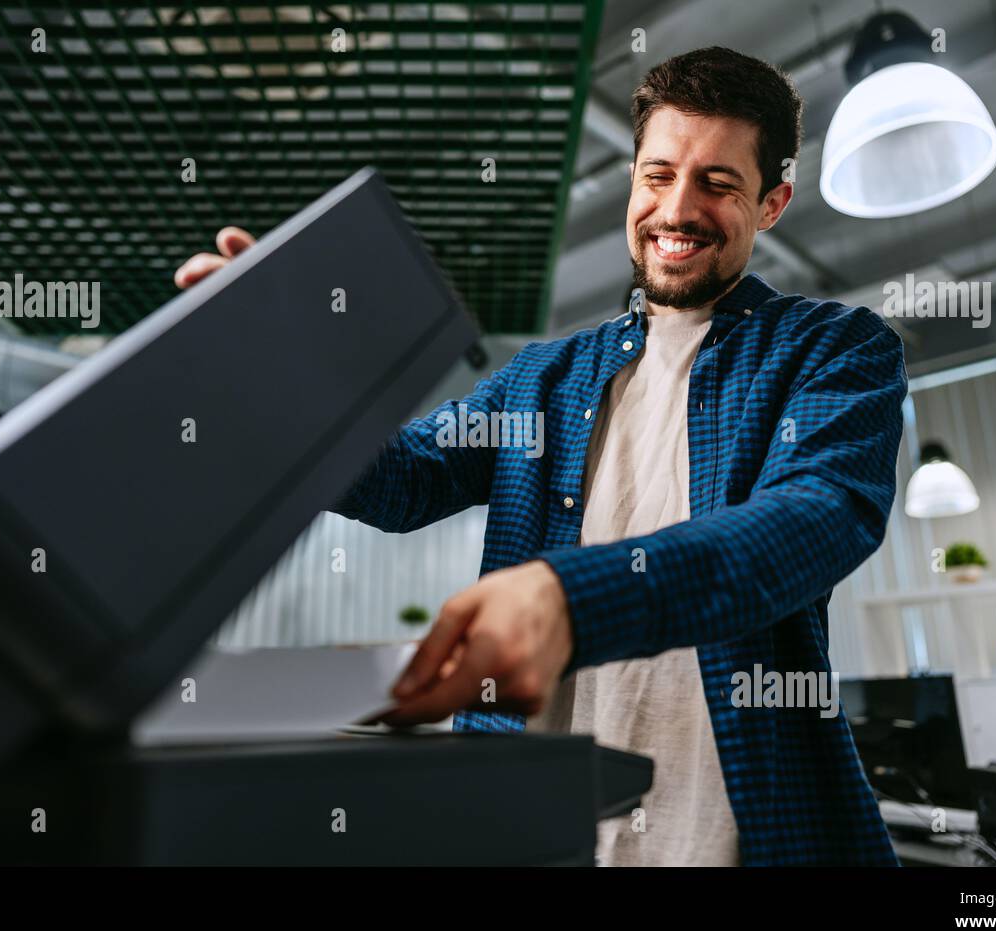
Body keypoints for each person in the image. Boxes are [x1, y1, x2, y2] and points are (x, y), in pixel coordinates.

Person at [176, 47, 906, 866]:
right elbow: (405, 480)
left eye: (718, 183)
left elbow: (816, 518)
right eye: (658, 174)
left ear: (772, 203)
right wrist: (290, 387)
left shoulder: (833, 348)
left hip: (738, 837)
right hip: (533, 833)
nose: (677, 207)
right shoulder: (543, 377)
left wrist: (573, 599)